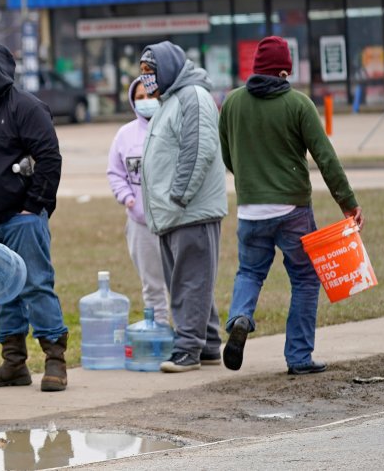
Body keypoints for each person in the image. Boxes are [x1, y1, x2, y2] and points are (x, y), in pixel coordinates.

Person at [219, 36, 363, 375]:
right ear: (284, 71)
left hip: (250, 210)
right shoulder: (299, 104)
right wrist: (347, 202)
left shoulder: (232, 102)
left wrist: (251, 182)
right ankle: (298, 356)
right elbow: (325, 157)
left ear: (256, 68)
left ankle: (240, 317)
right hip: (292, 210)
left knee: (250, 272)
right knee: (305, 278)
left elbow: (228, 154)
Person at [0, 43, 68, 393]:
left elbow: (49, 159)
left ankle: (55, 360)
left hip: (24, 218)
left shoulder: (27, 107)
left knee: (36, 284)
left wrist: (33, 206)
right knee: (2, 289)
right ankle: (13, 363)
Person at [137, 41, 227, 374]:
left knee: (190, 282)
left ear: (167, 69)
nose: (145, 78)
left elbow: (199, 148)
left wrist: (178, 196)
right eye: (142, 72)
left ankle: (188, 349)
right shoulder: (168, 101)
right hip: (172, 213)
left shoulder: (193, 97)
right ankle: (209, 344)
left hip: (189, 211)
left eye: (150, 71)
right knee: (191, 280)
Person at [106, 77, 170, 326]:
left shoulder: (172, 127)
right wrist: (126, 196)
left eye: (150, 95)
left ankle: (188, 333)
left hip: (173, 221)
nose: (145, 101)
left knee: (180, 281)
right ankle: (160, 328)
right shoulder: (125, 135)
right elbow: (115, 172)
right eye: (139, 97)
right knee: (152, 284)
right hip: (140, 223)